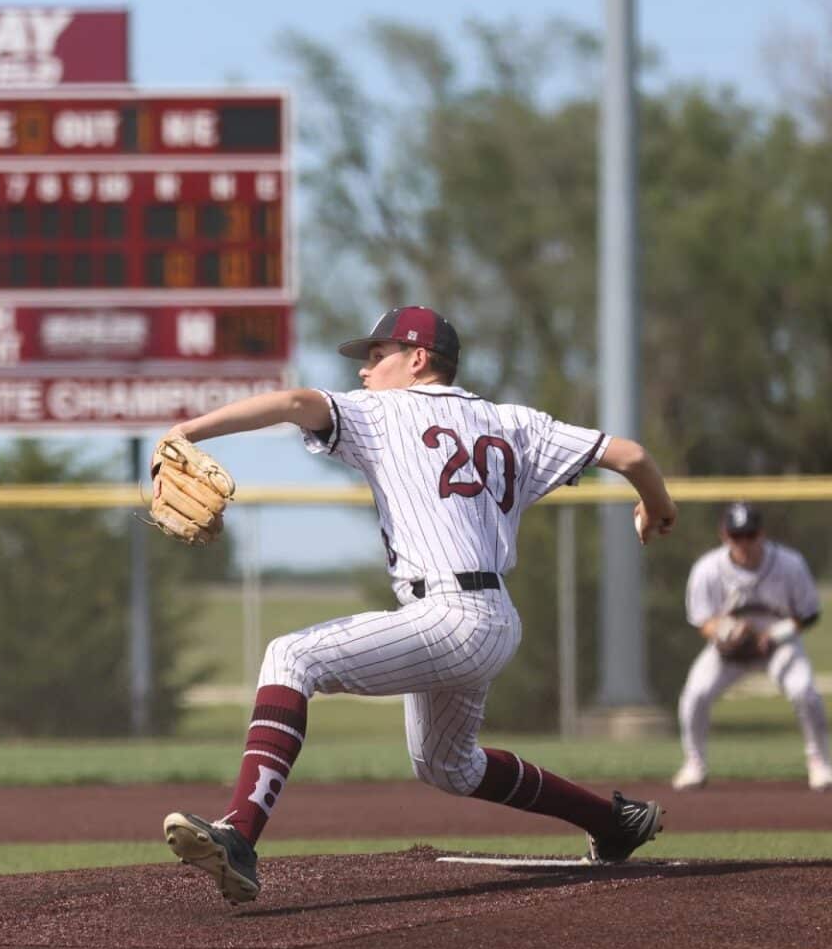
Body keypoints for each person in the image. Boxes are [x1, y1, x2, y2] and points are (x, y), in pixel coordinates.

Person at [159, 306, 679, 905]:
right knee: (446, 764)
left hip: (447, 615)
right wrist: (656, 507)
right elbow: (632, 456)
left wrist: (187, 431)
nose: (365, 372)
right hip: (493, 620)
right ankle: (613, 823)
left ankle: (239, 836)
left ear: (417, 359)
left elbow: (293, 402)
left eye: (377, 357)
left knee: (289, 658)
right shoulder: (515, 422)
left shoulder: (385, 411)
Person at [672, 502, 830, 792]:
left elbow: (808, 614)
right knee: (695, 695)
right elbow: (701, 620)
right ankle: (694, 764)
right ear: (724, 536)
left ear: (762, 534)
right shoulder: (708, 569)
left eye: (750, 535)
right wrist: (728, 631)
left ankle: (819, 762)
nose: (744, 542)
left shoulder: (789, 564)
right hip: (729, 650)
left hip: (779, 645)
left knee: (805, 692)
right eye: (737, 536)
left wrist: (772, 635)